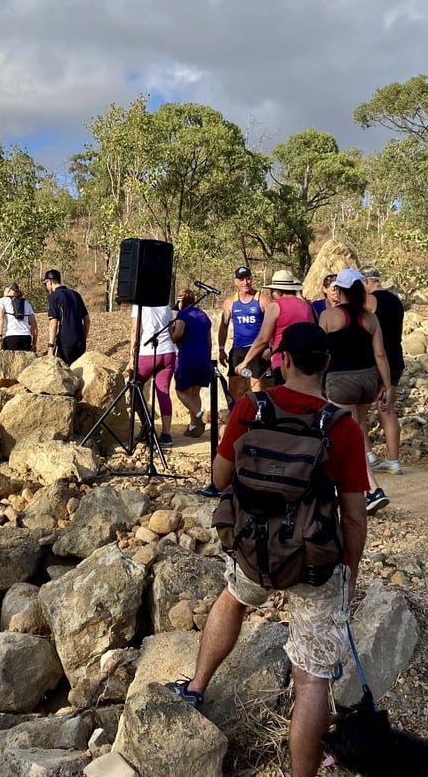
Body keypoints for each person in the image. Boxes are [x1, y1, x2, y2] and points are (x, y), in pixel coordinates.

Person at [166, 323, 368, 777]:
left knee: (232, 599)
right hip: (314, 561)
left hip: (253, 550)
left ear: (284, 360)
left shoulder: (250, 407)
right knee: (312, 679)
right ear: (327, 364)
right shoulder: (342, 427)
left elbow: (219, 480)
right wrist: (349, 574)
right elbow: (354, 516)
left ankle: (196, 686)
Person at [320, 268, 392, 513]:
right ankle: (355, 487)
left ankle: (371, 488)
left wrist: (316, 384)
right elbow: (380, 354)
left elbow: (321, 355)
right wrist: (387, 386)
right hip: (367, 380)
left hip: (341, 381)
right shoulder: (371, 318)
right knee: (358, 429)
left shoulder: (329, 316)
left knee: (345, 435)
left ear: (339, 290)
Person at [237, 270, 314, 385]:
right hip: (306, 361)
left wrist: (245, 361)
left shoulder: (275, 306)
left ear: (276, 290)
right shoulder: (306, 306)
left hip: (283, 362)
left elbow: (263, 339)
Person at [363, 267, 405, 475]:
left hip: (376, 359)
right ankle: (393, 459)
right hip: (396, 358)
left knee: (359, 409)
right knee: (387, 409)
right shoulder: (395, 300)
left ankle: (367, 454)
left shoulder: (370, 301)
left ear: (366, 281)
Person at [129, 300, 177, 445]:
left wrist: (131, 355)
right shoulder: (165, 304)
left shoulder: (139, 304)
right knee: (163, 392)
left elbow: (135, 331)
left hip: (147, 353)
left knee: (134, 387)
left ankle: (147, 427)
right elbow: (171, 331)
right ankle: (166, 434)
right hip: (168, 352)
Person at [218, 265, 269, 399]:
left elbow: (274, 323)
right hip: (238, 348)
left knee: (257, 386)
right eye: (241, 279)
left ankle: (258, 415)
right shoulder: (230, 302)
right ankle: (235, 414)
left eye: (247, 279)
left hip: (257, 349)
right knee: (233, 387)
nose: (245, 282)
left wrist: (271, 347)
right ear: (236, 282)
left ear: (251, 279)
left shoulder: (262, 299)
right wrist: (221, 349)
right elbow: (223, 326)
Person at [170, 288, 213, 437]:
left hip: (188, 356)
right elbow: (209, 340)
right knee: (195, 392)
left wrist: (171, 334)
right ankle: (194, 426)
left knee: (181, 390)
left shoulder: (183, 314)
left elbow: (178, 334)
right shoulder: (203, 315)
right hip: (203, 356)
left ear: (181, 301)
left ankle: (200, 415)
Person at [43, 269, 90, 363]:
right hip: (80, 342)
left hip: (65, 343)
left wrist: (50, 346)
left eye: (46, 283)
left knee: (63, 373)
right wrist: (83, 338)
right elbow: (87, 320)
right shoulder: (76, 295)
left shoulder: (54, 296)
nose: (46, 286)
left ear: (50, 282)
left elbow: (53, 322)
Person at [0, 282, 37, 351]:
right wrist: (34, 343)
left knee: (12, 361)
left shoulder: (2, 301)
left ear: (8, 290)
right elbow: (34, 325)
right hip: (26, 338)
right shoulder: (26, 303)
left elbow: (1, 318)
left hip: (11, 336)